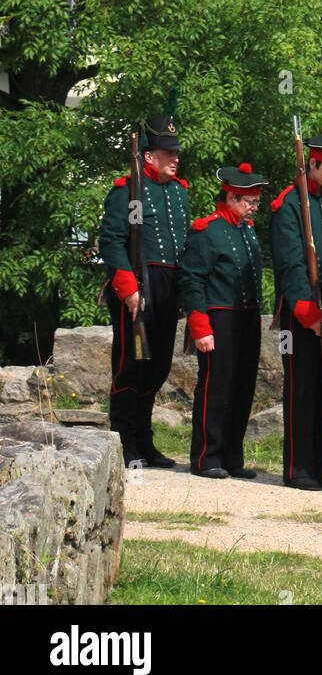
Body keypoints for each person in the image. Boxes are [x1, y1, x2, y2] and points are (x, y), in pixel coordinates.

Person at [98, 95, 190, 468]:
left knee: (158, 366)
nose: (175, 159)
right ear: (149, 156)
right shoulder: (127, 191)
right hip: (139, 286)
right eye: (168, 154)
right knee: (131, 364)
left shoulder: (179, 193)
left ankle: (144, 438)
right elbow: (112, 241)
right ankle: (124, 439)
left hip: (168, 287)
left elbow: (183, 242)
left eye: (176, 153)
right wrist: (128, 287)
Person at [269, 125, 322, 491]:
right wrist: (307, 310)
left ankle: (321, 467)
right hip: (298, 306)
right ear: (312, 162)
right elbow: (289, 262)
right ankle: (298, 468)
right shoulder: (288, 202)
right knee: (300, 385)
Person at [181, 161, 268, 480]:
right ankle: (207, 456)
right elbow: (193, 281)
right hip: (218, 318)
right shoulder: (208, 230)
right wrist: (200, 327)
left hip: (246, 318)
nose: (254, 207)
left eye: (256, 201)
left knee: (243, 387)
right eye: (250, 201)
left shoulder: (247, 232)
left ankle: (232, 456)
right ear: (231, 198)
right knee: (216, 387)